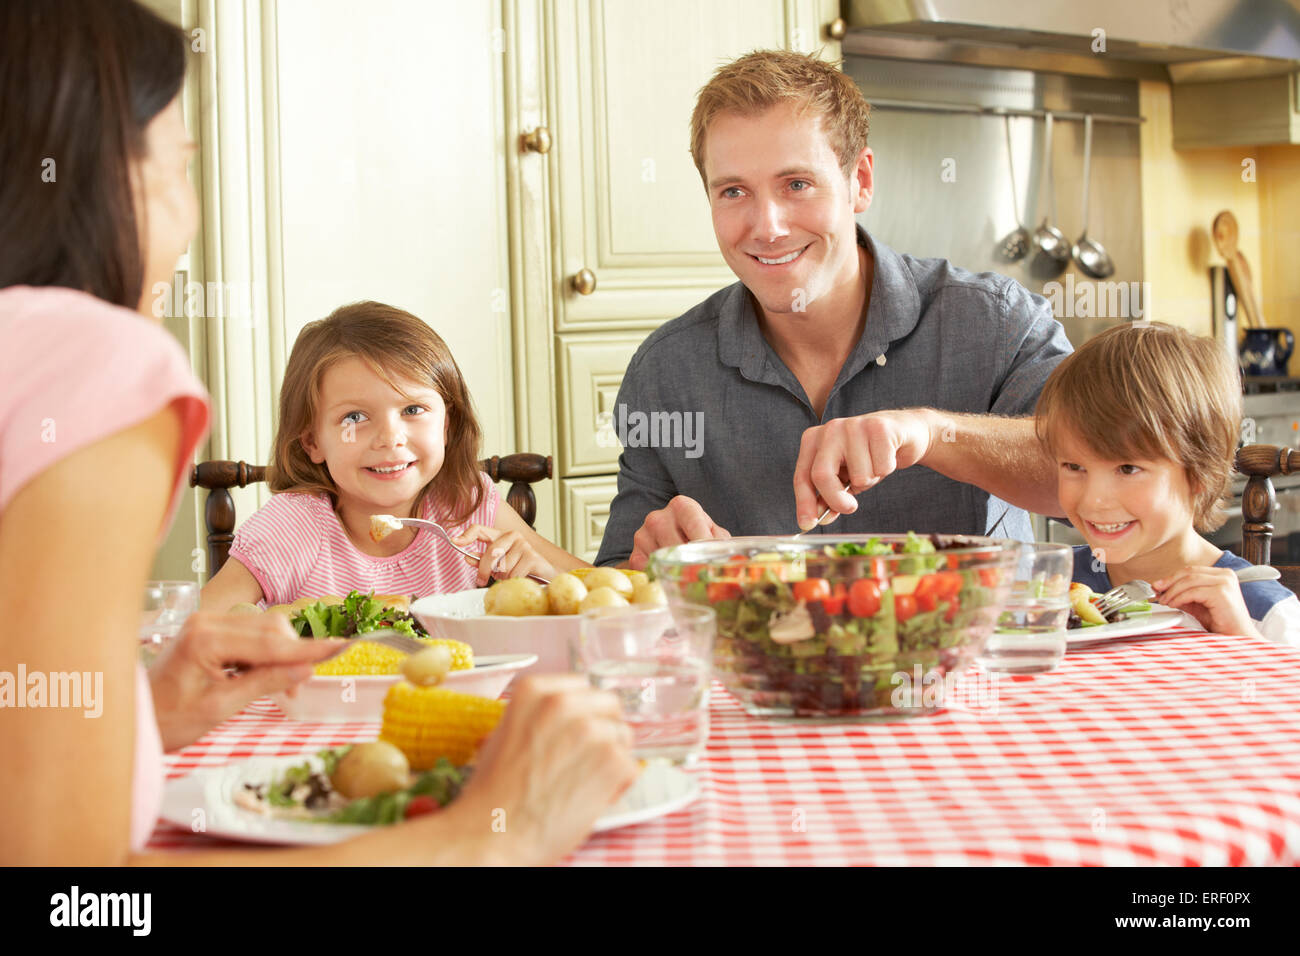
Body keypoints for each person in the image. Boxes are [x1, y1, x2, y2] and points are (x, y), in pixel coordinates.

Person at [0, 0, 636, 865]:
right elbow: (72, 900)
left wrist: (146, 716)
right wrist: (494, 837)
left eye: (416, 410)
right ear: (107, 175)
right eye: (181, 165)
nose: (183, 235)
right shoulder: (87, 359)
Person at [594, 50, 1072, 571]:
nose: (767, 226)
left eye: (796, 184)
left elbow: (1093, 475)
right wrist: (650, 560)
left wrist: (931, 434)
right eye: (734, 191)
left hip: (972, 650)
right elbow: (617, 580)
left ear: (859, 181)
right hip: (762, 654)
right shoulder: (666, 370)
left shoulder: (998, 322)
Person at [200, 301, 587, 612]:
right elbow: (195, 631)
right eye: (355, 417)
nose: (389, 439)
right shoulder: (294, 526)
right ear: (311, 442)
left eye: (413, 410)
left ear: (447, 425)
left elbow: (609, 593)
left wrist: (547, 576)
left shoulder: (466, 504)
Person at [1035, 322, 1299, 643]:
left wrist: (1240, 639)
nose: (1094, 500)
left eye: (1128, 469)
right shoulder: (1048, 588)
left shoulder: (1263, 613)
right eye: (1074, 466)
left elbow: (1281, 690)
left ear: (1203, 472)